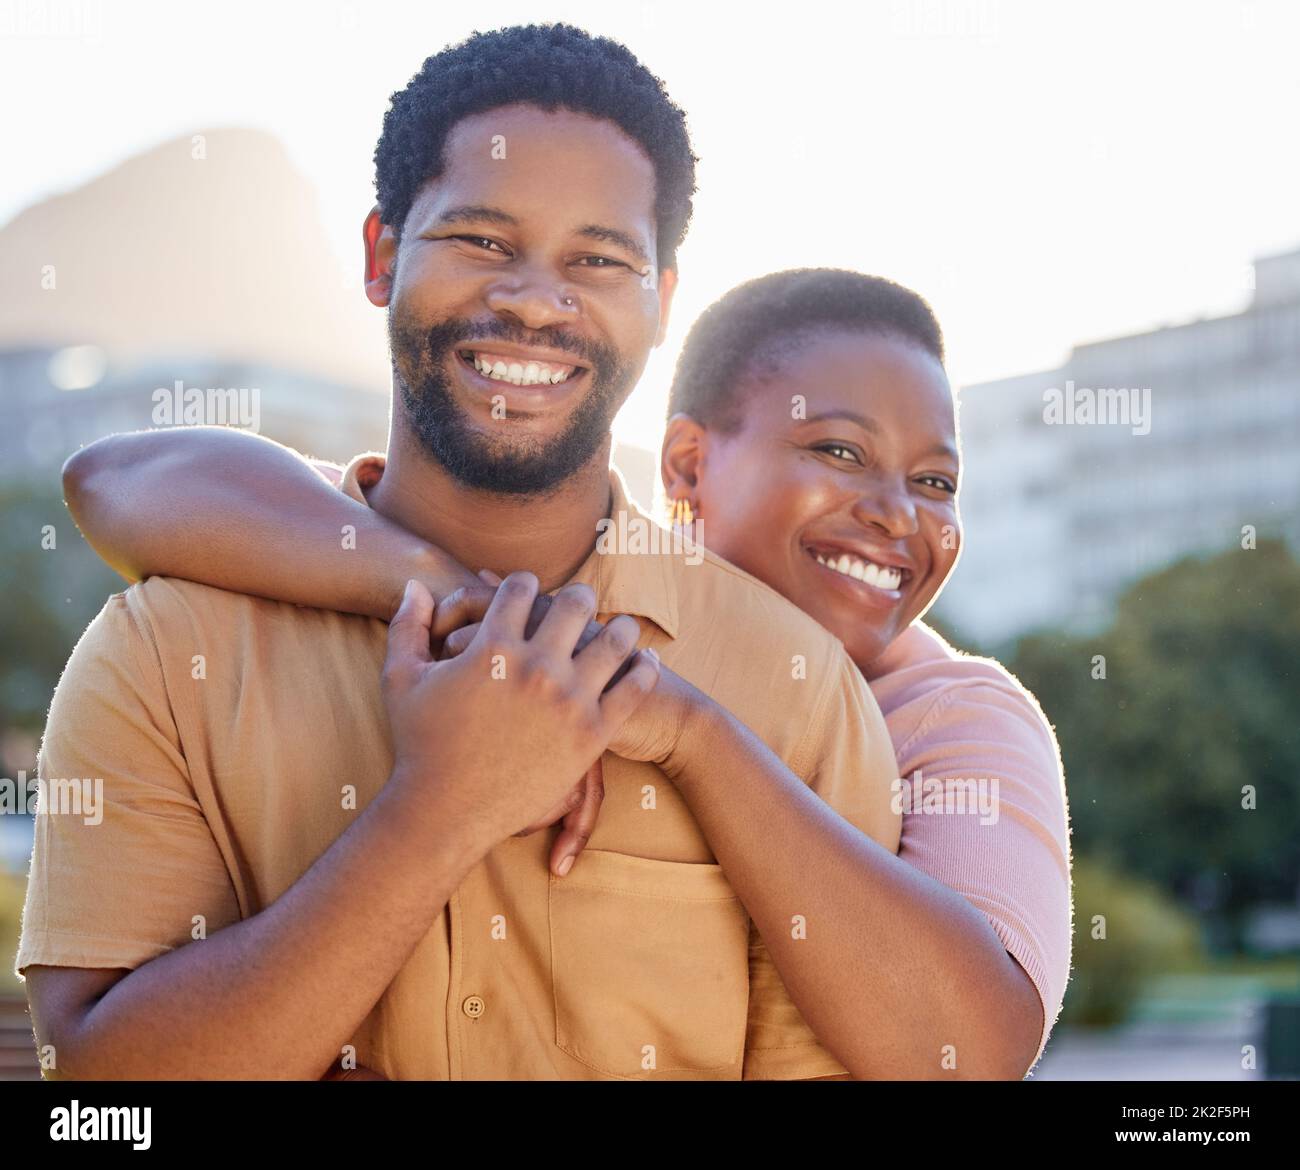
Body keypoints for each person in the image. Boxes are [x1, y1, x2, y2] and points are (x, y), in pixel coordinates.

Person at [17, 26, 909, 1082]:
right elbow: (107, 1104)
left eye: (599, 258)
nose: (535, 299)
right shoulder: (166, 652)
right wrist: (441, 809)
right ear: (381, 257)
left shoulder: (792, 689)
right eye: (482, 240)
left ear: (662, 303)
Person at [41, 268, 1072, 1078]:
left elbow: (963, 1052)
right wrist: (470, 604)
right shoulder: (501, 602)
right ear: (683, 469)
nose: (898, 511)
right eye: (841, 453)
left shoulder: (953, 716)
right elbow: (123, 479)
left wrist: (694, 733)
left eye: (935, 481)